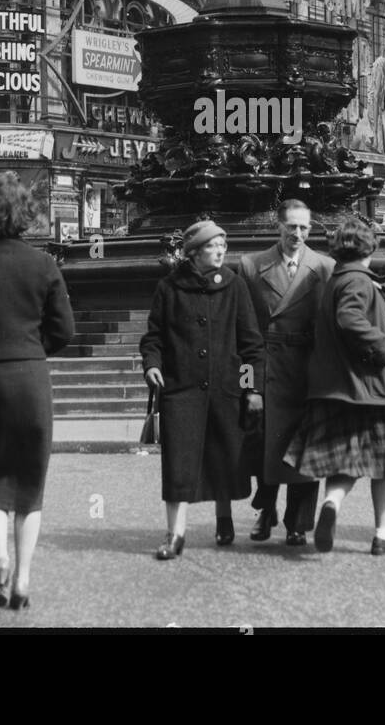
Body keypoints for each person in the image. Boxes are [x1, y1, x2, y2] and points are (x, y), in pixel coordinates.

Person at [0, 172, 76, 609]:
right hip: (30, 377)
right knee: (29, 484)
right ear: (26, 216)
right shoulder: (45, 264)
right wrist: (30, 349)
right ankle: (22, 581)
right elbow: (65, 330)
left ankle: (0, 559)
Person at [283, 215, 385, 555]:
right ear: (371, 246)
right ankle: (383, 534)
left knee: (344, 464)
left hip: (339, 389)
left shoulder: (337, 279)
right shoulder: (358, 281)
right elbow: (350, 320)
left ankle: (332, 505)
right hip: (369, 389)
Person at [140, 220, 265, 560]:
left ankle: (223, 520)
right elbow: (154, 337)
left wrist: (250, 388)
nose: (221, 250)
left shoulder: (235, 285)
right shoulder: (170, 288)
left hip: (227, 389)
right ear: (194, 252)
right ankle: (174, 535)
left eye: (223, 245)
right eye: (213, 245)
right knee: (178, 464)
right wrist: (152, 364)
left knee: (224, 456)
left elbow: (250, 344)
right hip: (181, 390)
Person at [238, 200, 334, 546]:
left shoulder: (325, 267)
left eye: (304, 228)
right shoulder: (251, 266)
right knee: (266, 446)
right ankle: (266, 510)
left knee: (306, 449)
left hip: (308, 370)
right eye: (291, 227)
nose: (297, 234)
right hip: (268, 368)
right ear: (278, 226)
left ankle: (299, 523)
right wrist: (248, 386)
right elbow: (243, 333)